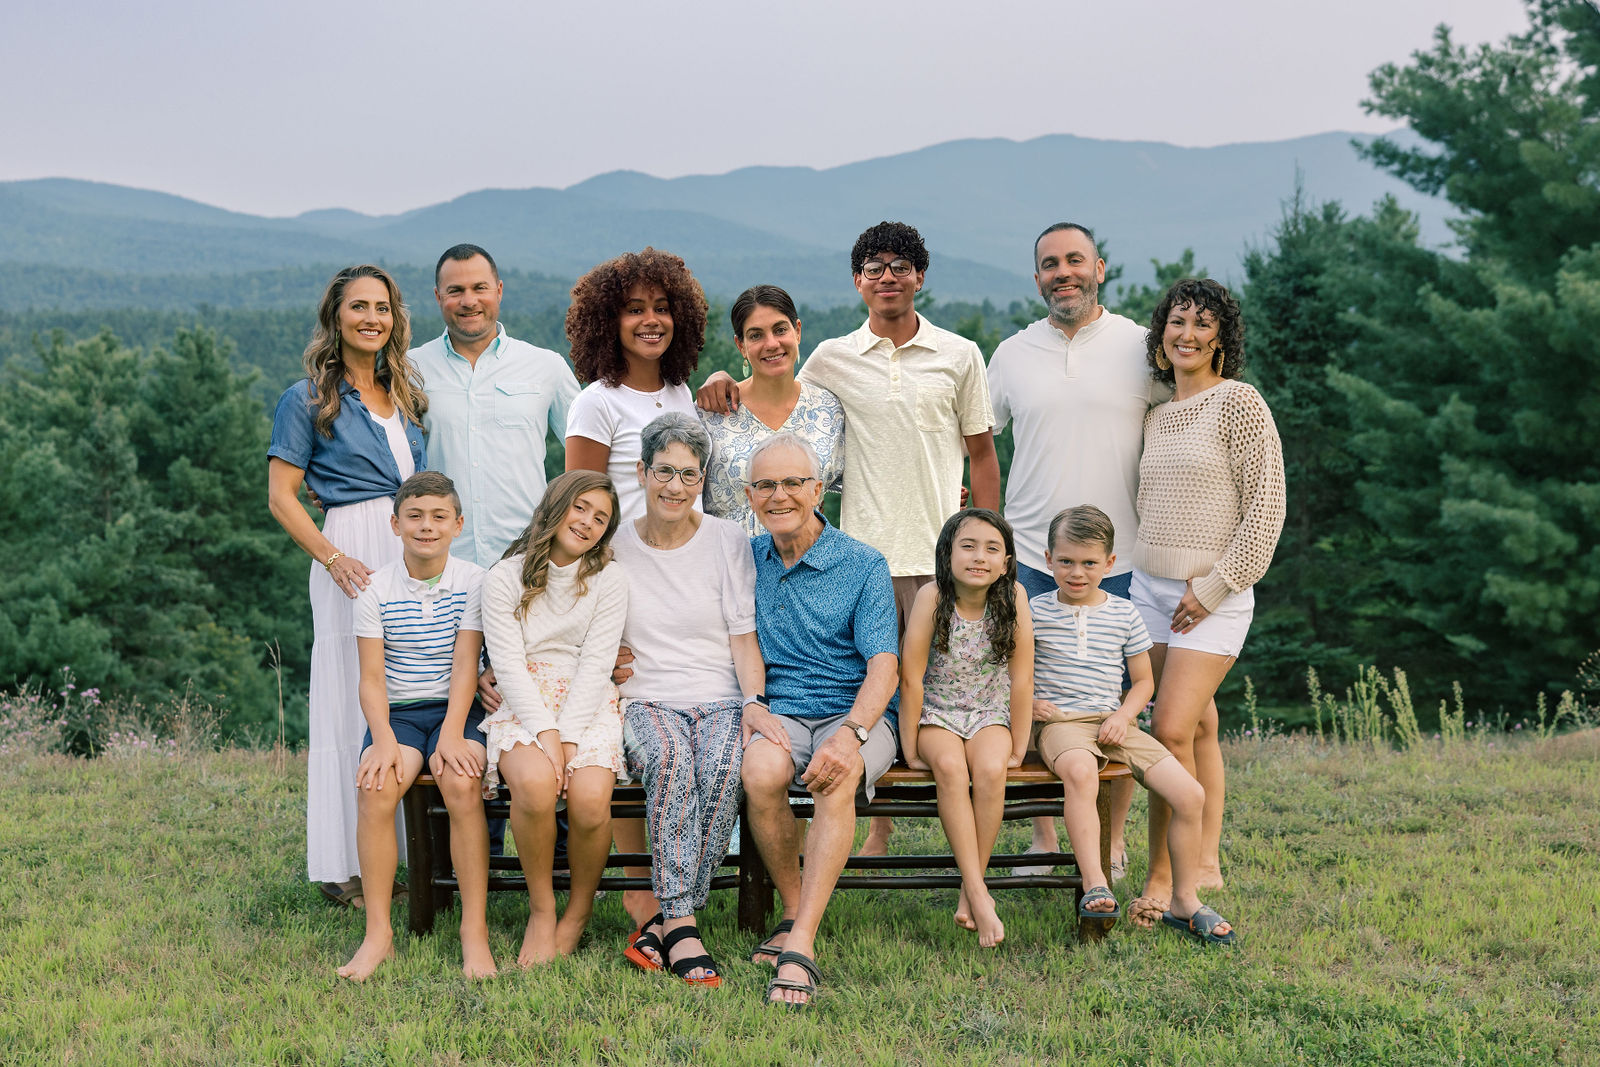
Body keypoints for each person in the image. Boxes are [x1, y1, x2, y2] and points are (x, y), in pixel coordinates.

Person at [700, 221, 1000, 857]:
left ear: (921, 275)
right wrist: (723, 377)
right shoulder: (833, 358)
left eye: (900, 265)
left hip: (939, 554)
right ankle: (873, 833)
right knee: (855, 677)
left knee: (952, 682)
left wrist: (988, 543)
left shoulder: (960, 354)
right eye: (872, 266)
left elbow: (981, 451)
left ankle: (1026, 827)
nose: (886, 276)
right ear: (857, 280)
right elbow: (775, 390)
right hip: (858, 557)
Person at [987, 222, 1167, 878]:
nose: (1063, 273)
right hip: (1031, 557)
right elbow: (978, 436)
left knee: (1117, 703)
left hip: (1120, 562)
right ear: (1037, 278)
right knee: (1037, 701)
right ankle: (1042, 837)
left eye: (1074, 261)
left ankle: (1113, 840)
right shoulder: (1010, 354)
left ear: (1100, 267)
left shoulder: (1143, 347)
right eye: (1049, 264)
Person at [1126, 278, 1285, 931]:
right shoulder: (1157, 414)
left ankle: (1166, 878)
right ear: (1161, 335)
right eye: (1176, 322)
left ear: (1222, 336)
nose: (1187, 334)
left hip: (1213, 594)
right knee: (1198, 727)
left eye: (1202, 323)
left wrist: (1212, 587)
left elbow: (1266, 509)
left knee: (1166, 730)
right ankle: (1208, 855)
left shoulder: (1240, 403)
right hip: (1149, 589)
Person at [268, 264, 427, 909]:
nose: (372, 317)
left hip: (409, 547)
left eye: (382, 307)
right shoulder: (304, 396)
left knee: (409, 692)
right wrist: (333, 558)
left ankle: (410, 853)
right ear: (335, 316)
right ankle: (345, 865)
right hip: (350, 553)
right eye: (358, 306)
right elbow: (281, 498)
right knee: (348, 698)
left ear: (395, 317)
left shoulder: (405, 393)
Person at [562, 247, 709, 930]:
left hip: (677, 576)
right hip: (616, 581)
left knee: (664, 709)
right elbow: (579, 499)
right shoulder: (596, 402)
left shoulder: (682, 393)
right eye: (634, 309)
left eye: (660, 308)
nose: (649, 320)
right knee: (621, 712)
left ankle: (680, 865)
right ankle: (632, 879)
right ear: (608, 321)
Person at [611, 414, 774, 987]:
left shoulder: (729, 540)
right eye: (663, 472)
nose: (675, 486)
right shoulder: (615, 546)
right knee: (672, 762)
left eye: (688, 474)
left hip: (721, 696)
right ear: (642, 472)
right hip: (646, 699)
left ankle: (665, 923)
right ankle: (682, 924)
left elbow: (742, 636)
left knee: (726, 766)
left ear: (702, 479)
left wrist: (753, 699)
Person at [738, 432, 899, 1008]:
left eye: (791, 483)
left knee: (837, 776)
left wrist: (852, 735)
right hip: (780, 710)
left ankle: (801, 940)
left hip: (855, 712)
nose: (778, 495)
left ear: (818, 487)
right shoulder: (745, 557)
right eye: (764, 485)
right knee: (759, 773)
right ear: (749, 494)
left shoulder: (861, 563)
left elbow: (885, 666)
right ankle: (791, 907)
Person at [1031, 505, 1236, 943]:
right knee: (1083, 772)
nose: (1076, 573)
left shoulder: (1124, 613)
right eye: (1065, 561)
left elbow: (1144, 682)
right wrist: (1029, 701)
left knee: (1189, 793)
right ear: (1048, 559)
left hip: (1113, 721)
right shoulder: (1033, 611)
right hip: (1061, 723)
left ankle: (1184, 899)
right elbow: (1007, 671)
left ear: (1109, 564)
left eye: (1089, 563)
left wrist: (1125, 717)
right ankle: (1095, 886)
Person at [337, 473, 493, 981]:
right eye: (416, 516)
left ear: (457, 524)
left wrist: (452, 733)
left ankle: (475, 932)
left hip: (458, 709)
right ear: (396, 523)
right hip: (399, 715)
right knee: (377, 787)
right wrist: (381, 738)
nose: (427, 527)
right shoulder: (374, 589)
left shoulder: (473, 580)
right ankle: (379, 934)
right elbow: (371, 678)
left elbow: (467, 664)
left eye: (438, 517)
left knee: (461, 783)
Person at [478, 470, 629, 965]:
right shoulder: (505, 577)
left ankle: (579, 910)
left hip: (587, 701)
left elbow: (597, 661)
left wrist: (566, 739)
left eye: (600, 518)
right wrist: (544, 732)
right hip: (524, 700)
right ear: (556, 505)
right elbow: (507, 664)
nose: (587, 522)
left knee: (588, 802)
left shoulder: (609, 578)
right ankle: (542, 909)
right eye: (580, 507)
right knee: (538, 788)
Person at [899, 509, 1033, 948]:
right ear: (948, 554)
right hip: (936, 712)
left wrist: (1020, 743)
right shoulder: (931, 598)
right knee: (953, 770)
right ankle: (979, 890)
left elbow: (1022, 677)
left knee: (992, 770)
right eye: (968, 546)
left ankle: (968, 887)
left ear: (1007, 561)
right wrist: (909, 746)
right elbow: (912, 677)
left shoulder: (1014, 597)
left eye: (992, 548)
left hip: (988, 711)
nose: (980, 557)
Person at [410, 243, 581, 570]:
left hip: (527, 561)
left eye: (479, 288)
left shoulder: (547, 366)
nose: (468, 301)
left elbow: (591, 453)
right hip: (438, 564)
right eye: (455, 291)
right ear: (437, 297)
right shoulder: (408, 368)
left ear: (499, 290)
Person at [699, 285, 846, 535]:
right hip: (728, 564)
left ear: (797, 331)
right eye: (756, 335)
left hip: (807, 564)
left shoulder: (830, 410)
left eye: (780, 330)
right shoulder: (712, 413)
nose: (771, 343)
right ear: (741, 345)